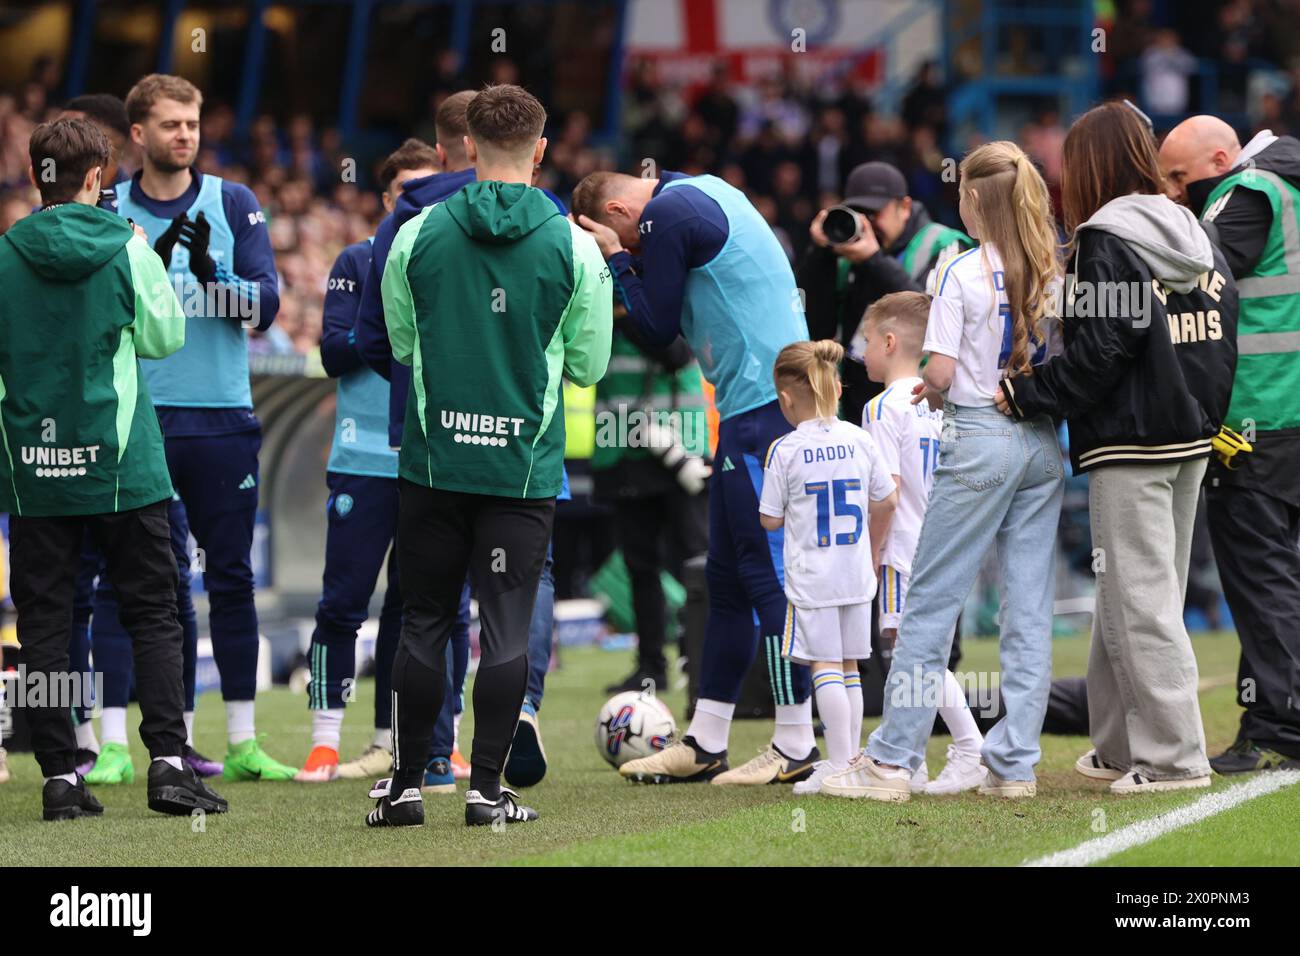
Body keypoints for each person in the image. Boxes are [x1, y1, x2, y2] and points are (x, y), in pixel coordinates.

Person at [364, 84, 611, 828]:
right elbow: (590, 367)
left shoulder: (416, 232)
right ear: (541, 152)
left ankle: (406, 787)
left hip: (434, 465)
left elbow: (403, 345)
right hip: (520, 470)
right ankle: (486, 794)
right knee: (504, 625)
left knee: (425, 620)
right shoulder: (575, 245)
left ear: (466, 147)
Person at [998, 103, 1238, 792]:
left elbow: (1104, 347)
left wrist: (1028, 393)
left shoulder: (1107, 237)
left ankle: (1172, 758)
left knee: (1140, 603)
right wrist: (1205, 419)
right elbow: (1224, 333)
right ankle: (1117, 743)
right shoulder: (1192, 226)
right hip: (1191, 434)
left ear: (1090, 166)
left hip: (1133, 439)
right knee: (1126, 596)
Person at [0, 117, 226, 820]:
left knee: (44, 621)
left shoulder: (4, 255)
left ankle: (60, 777)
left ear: (37, 172)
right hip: (123, 462)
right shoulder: (126, 248)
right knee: (153, 612)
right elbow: (163, 336)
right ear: (96, 177)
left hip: (35, 464)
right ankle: (165, 763)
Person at [827, 141, 1064, 803]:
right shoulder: (1053, 268)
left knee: (929, 605)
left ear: (971, 201)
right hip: (1041, 441)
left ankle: (892, 763)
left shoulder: (960, 272)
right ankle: (1014, 766)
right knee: (1029, 610)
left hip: (981, 437)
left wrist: (931, 394)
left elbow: (939, 371)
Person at [573, 164, 816, 787]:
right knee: (727, 577)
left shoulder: (668, 213)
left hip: (766, 406)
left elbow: (656, 327)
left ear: (622, 215)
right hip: (753, 405)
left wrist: (614, 261)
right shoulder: (694, 191)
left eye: (624, 238)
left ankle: (796, 743)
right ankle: (707, 740)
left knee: (766, 576)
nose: (634, 252)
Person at [91, 73, 292, 783]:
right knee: (126, 586)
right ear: (137, 134)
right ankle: (114, 743)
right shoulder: (109, 206)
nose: (185, 135)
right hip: (135, 421)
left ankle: (240, 739)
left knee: (229, 580)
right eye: (171, 124)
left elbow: (265, 307)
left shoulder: (233, 202)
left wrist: (211, 274)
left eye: (193, 123)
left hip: (221, 422)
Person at [295, 139, 440, 783]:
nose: (417, 203)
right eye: (405, 192)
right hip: (364, 457)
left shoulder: (453, 261)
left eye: (429, 189)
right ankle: (326, 739)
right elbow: (332, 351)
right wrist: (387, 323)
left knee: (423, 610)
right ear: (385, 200)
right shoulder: (357, 259)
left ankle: (402, 740)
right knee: (344, 602)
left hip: (432, 460)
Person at [1160, 115, 1300, 773]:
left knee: (1259, 572)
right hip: (1287, 416)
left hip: (1254, 421)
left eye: (1180, 178)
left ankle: (1282, 726)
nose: (1175, 192)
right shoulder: (1291, 190)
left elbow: (1196, 279)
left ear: (1222, 157)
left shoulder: (1248, 190)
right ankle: (1268, 719)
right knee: (1275, 573)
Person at [861, 291, 987, 795]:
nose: (862, 350)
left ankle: (967, 746)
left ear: (890, 342)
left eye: (867, 341)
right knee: (919, 649)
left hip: (903, 547)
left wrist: (870, 553)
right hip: (946, 542)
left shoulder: (881, 407)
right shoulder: (940, 399)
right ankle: (907, 755)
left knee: (911, 651)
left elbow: (886, 495)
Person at [758, 341, 897, 795]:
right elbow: (887, 499)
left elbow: (769, 518)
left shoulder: (785, 449)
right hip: (857, 572)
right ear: (837, 388)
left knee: (825, 668)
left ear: (785, 399)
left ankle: (840, 764)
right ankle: (851, 758)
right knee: (851, 668)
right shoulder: (861, 438)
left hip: (813, 578)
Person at [800, 161, 974, 425]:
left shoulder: (942, 244)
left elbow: (931, 315)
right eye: (859, 213)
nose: (868, 224)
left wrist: (874, 260)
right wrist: (821, 253)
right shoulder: (846, 252)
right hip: (853, 405)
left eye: (875, 213)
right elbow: (814, 323)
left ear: (904, 207)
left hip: (918, 406)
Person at [592, 309, 709, 695]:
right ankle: (650, 668)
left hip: (678, 445)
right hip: (624, 445)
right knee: (639, 564)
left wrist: (624, 310)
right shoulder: (600, 285)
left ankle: (704, 663)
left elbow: (675, 352)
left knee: (698, 561)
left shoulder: (662, 279)